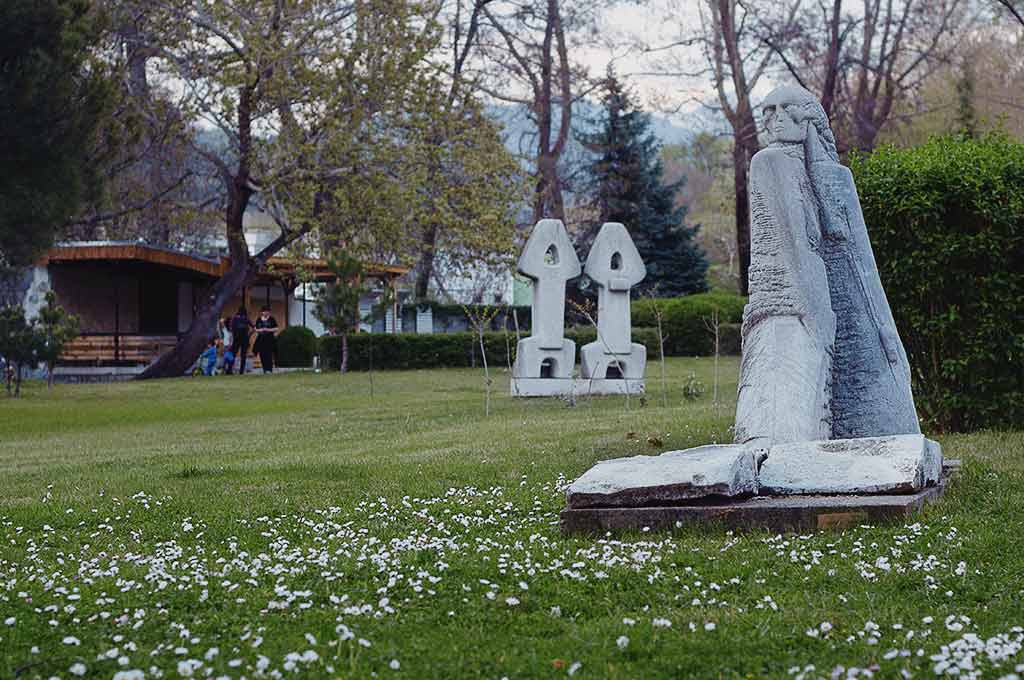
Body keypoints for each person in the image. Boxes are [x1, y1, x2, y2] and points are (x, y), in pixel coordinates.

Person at [252, 305, 280, 373]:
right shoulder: (259, 319)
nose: (266, 313)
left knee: (269, 354)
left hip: (269, 340)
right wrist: (260, 330)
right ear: (262, 312)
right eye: (264, 311)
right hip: (261, 339)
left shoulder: (272, 319)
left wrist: (268, 329)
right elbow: (255, 329)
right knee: (262, 354)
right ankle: (265, 369)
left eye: (267, 311)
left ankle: (269, 369)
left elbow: (276, 328)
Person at [230, 307, 252, 374]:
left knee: (233, 354)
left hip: (236, 339)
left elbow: (232, 329)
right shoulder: (246, 319)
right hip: (244, 340)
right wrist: (249, 335)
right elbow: (254, 327)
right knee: (243, 356)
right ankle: (241, 371)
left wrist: (233, 337)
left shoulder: (234, 319)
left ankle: (229, 369)